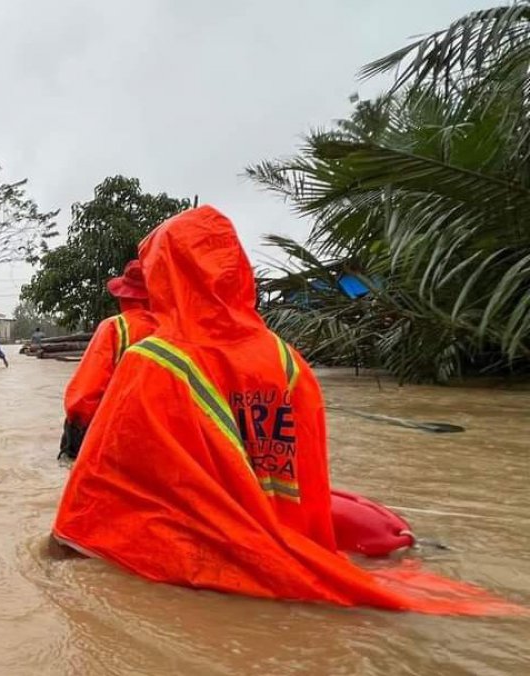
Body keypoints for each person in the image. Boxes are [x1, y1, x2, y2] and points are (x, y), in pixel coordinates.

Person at [52, 205, 512, 615]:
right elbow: (309, 476)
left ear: (165, 276)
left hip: (202, 561)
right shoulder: (291, 361)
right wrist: (306, 547)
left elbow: (102, 491)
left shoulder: (151, 361)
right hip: (290, 539)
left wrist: (53, 554)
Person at [59, 260, 157, 459]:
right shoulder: (175, 328)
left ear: (123, 294)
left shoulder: (115, 328)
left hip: (116, 436)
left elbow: (86, 393)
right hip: (161, 439)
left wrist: (74, 431)